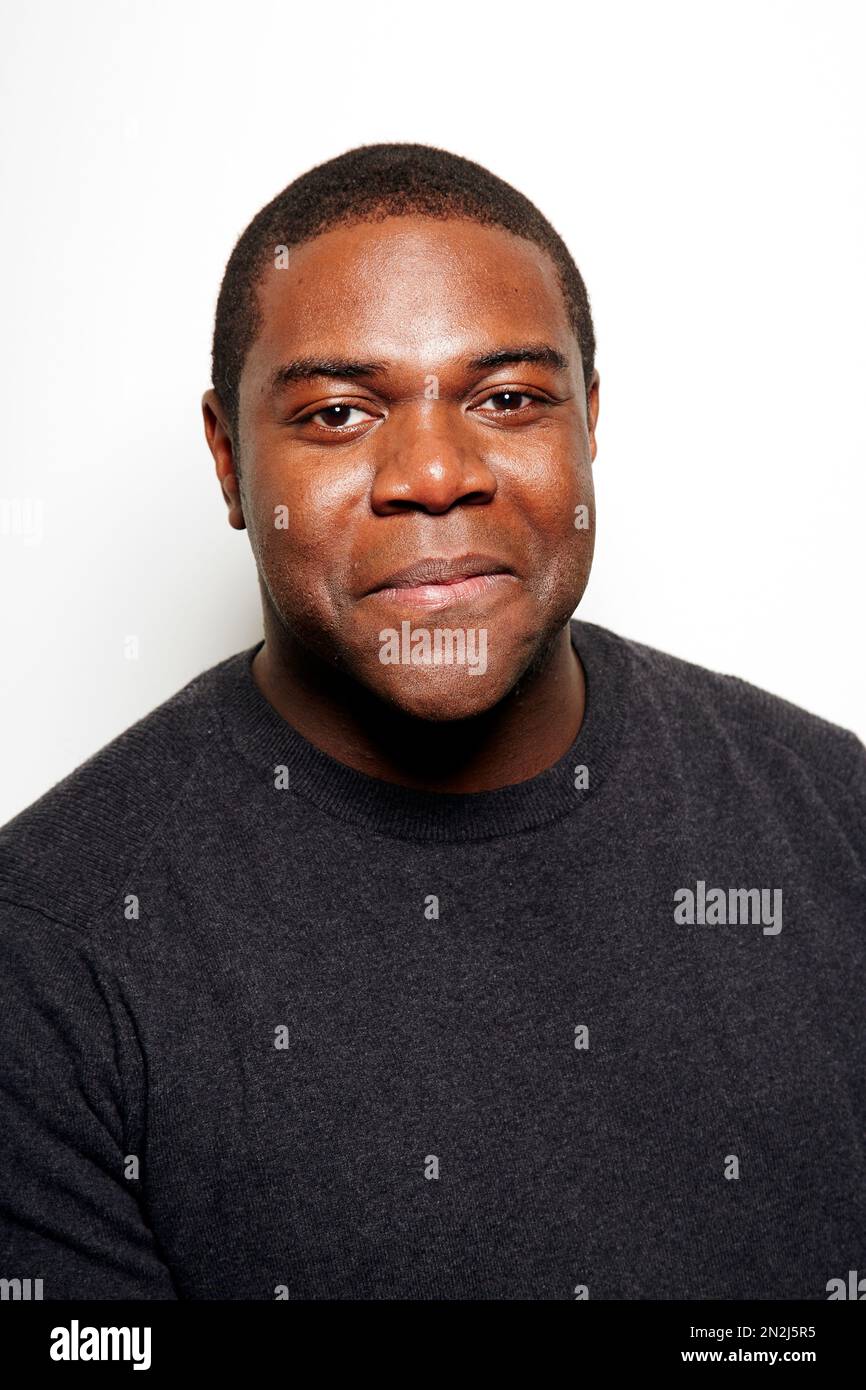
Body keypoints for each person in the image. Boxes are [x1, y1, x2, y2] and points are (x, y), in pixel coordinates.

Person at [1, 144, 863, 1301]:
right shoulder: (48, 950)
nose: (433, 471)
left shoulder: (831, 811)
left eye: (506, 398)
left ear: (588, 425)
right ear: (227, 457)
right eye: (339, 412)